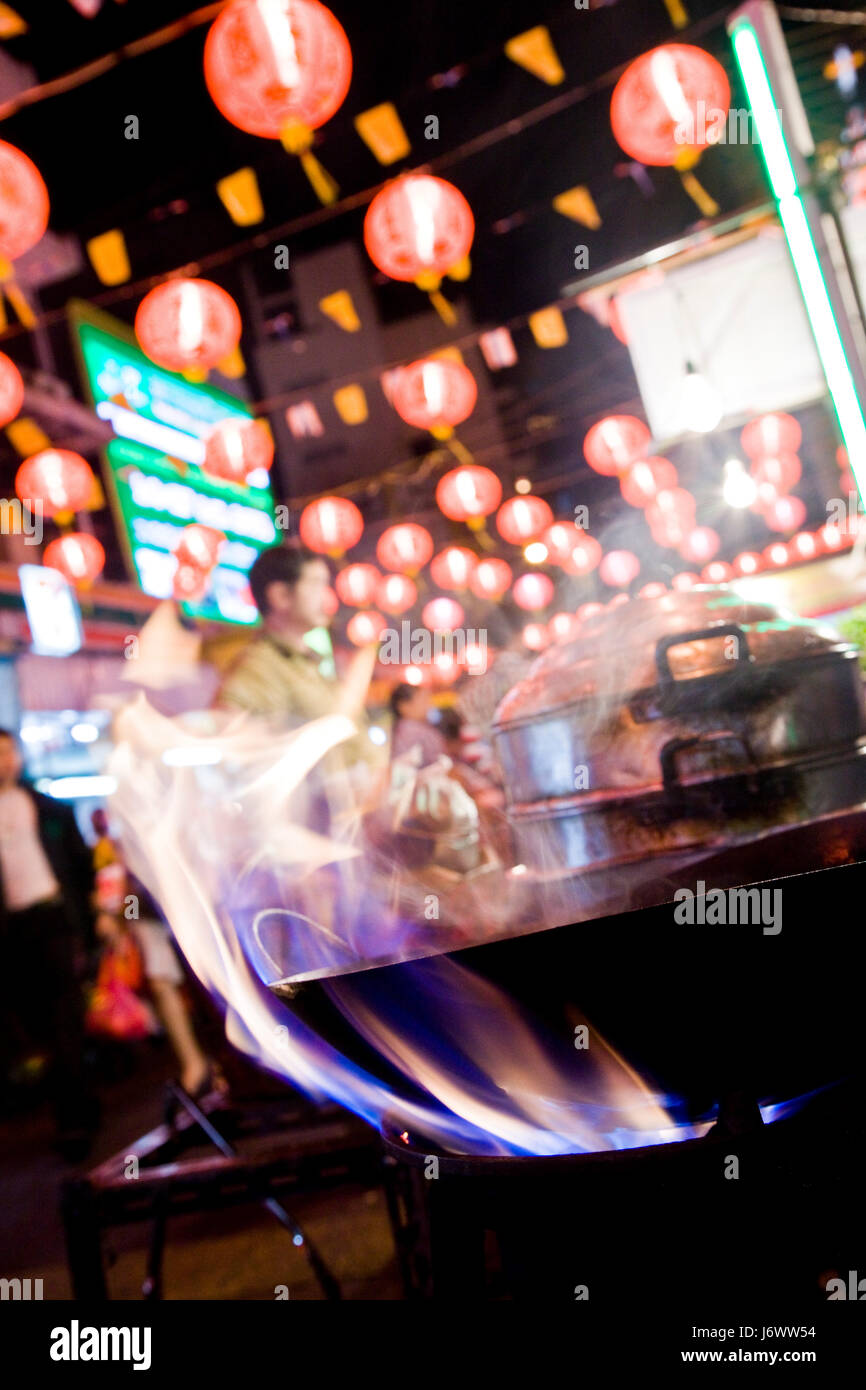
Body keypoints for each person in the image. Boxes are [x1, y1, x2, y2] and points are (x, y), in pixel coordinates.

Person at [0, 728, 97, 1159]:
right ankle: (79, 1098)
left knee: (64, 1019)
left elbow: (83, 867)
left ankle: (73, 1119)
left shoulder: (46, 808)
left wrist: (94, 923)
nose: (4, 761)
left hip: (54, 919)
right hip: (13, 931)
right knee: (39, 1021)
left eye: (8, 752)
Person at [218, 543, 379, 763]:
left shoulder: (309, 664)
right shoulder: (260, 665)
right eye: (315, 585)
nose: (326, 597)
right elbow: (234, 742)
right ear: (281, 595)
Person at [389, 683, 449, 766]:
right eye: (423, 700)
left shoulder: (416, 727)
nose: (429, 705)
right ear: (404, 706)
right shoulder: (409, 730)